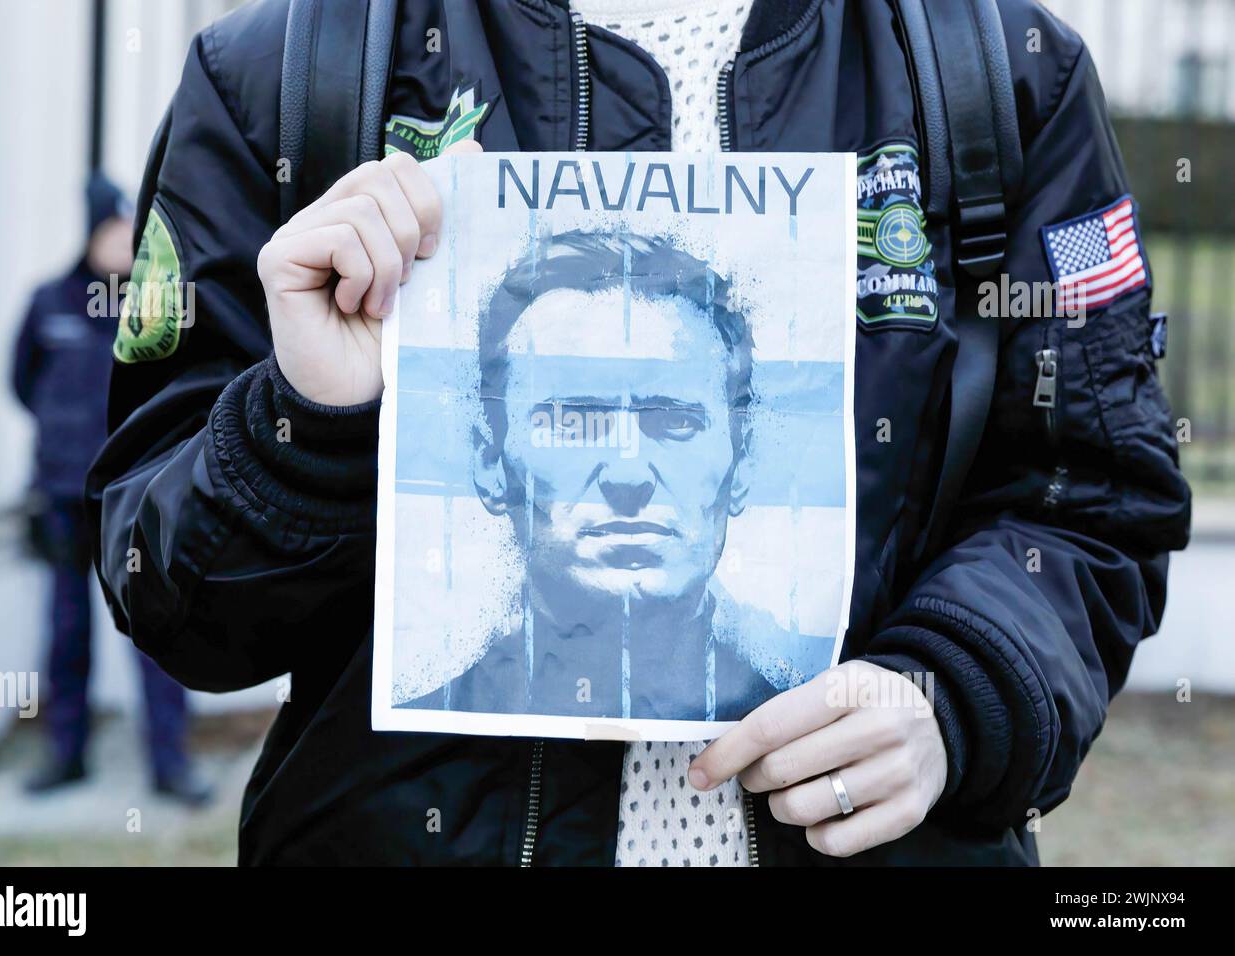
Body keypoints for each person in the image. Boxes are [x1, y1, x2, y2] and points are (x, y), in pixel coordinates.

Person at [88, 0, 1190, 865]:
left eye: (672, 417)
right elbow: (174, 599)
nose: (623, 475)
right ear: (491, 445)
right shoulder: (289, 72)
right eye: (570, 413)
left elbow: (1088, 494)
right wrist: (308, 419)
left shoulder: (1000, 70)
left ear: (743, 444)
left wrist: (953, 692)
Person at [403, 230, 781, 720]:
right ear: (489, 459)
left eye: (675, 423)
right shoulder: (415, 730)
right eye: (572, 423)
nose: (628, 474)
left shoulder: (826, 727)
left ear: (743, 462)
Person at [13, 172, 211, 806]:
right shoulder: (49, 303)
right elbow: (20, 382)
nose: (121, 243)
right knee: (66, 630)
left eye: (129, 230)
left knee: (153, 629)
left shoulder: (154, 308)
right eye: (111, 229)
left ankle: (169, 764)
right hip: (65, 499)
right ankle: (65, 755)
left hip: (135, 502)